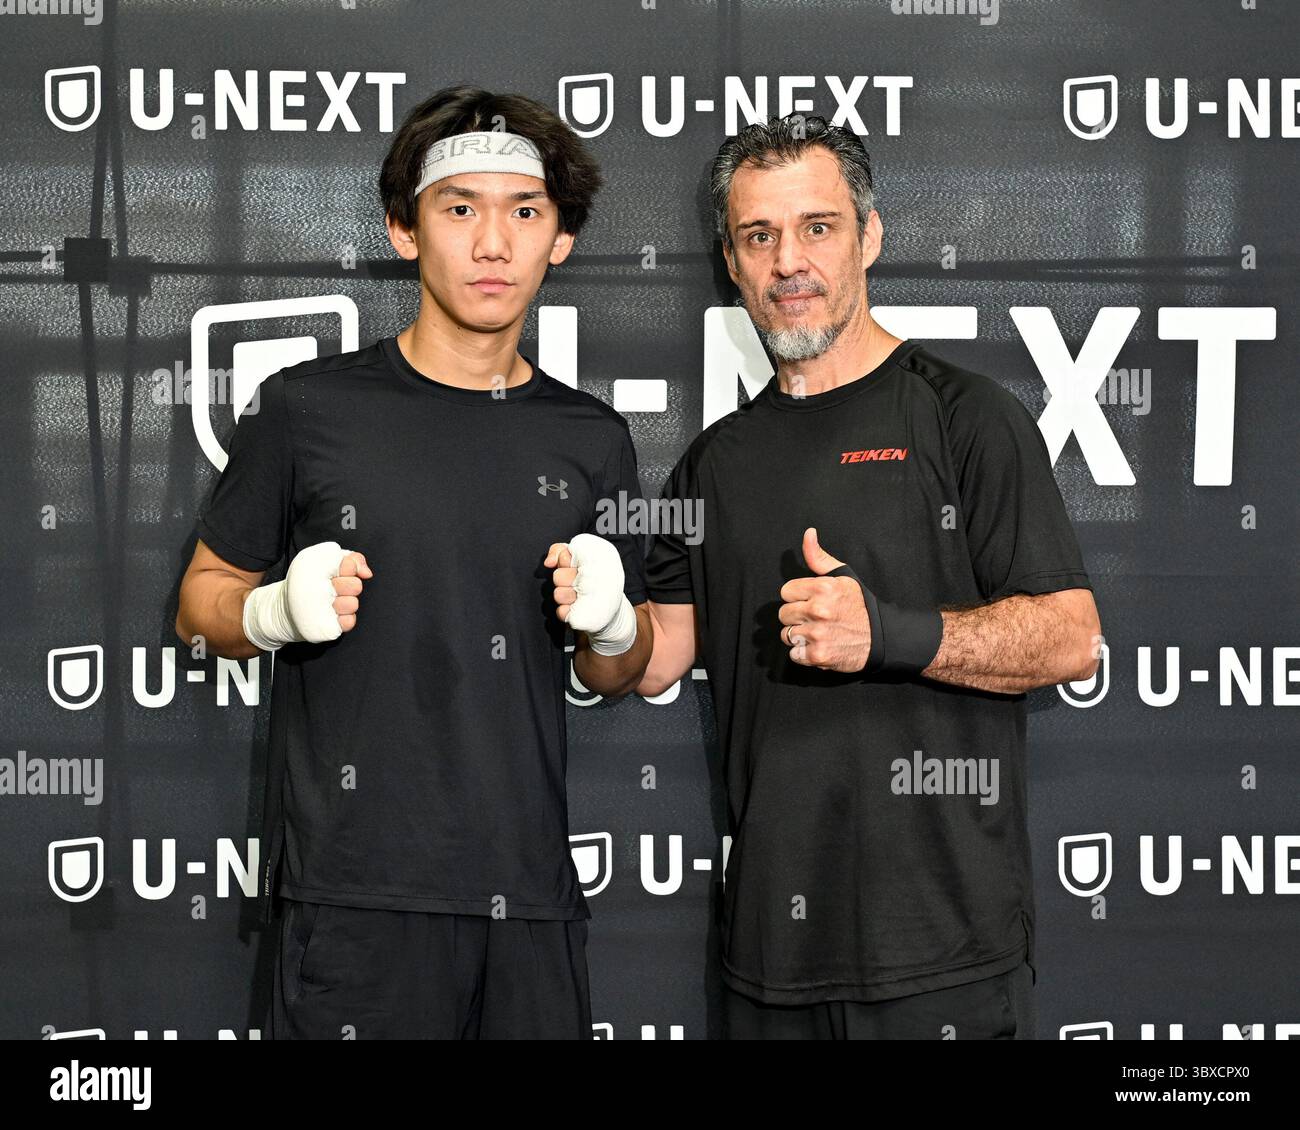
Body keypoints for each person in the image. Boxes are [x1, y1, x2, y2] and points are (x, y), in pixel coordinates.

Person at [176, 85, 652, 1039]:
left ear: (560, 239)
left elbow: (617, 671)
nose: (492, 244)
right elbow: (200, 606)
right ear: (404, 229)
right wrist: (271, 611)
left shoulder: (593, 439)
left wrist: (613, 624)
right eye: (458, 208)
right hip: (356, 900)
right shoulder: (307, 409)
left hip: (532, 900)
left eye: (524, 212)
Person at [636, 114, 1102, 1040]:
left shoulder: (967, 415)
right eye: (759, 236)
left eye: (818, 227)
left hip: (944, 958)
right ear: (731, 261)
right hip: (768, 964)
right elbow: (655, 661)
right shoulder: (712, 465)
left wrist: (885, 633)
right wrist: (601, 618)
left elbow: (1069, 636)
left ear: (870, 237)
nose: (788, 262)